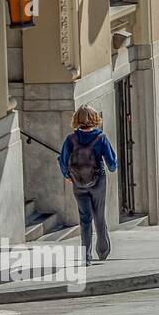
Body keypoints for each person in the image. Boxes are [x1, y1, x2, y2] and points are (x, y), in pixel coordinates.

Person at [59, 105, 118, 262]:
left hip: (78, 183)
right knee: (99, 215)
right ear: (95, 119)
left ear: (77, 119)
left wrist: (68, 176)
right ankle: (103, 251)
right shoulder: (101, 138)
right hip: (98, 181)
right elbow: (112, 165)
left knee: (85, 219)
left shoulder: (70, 139)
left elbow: (63, 161)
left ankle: (86, 256)